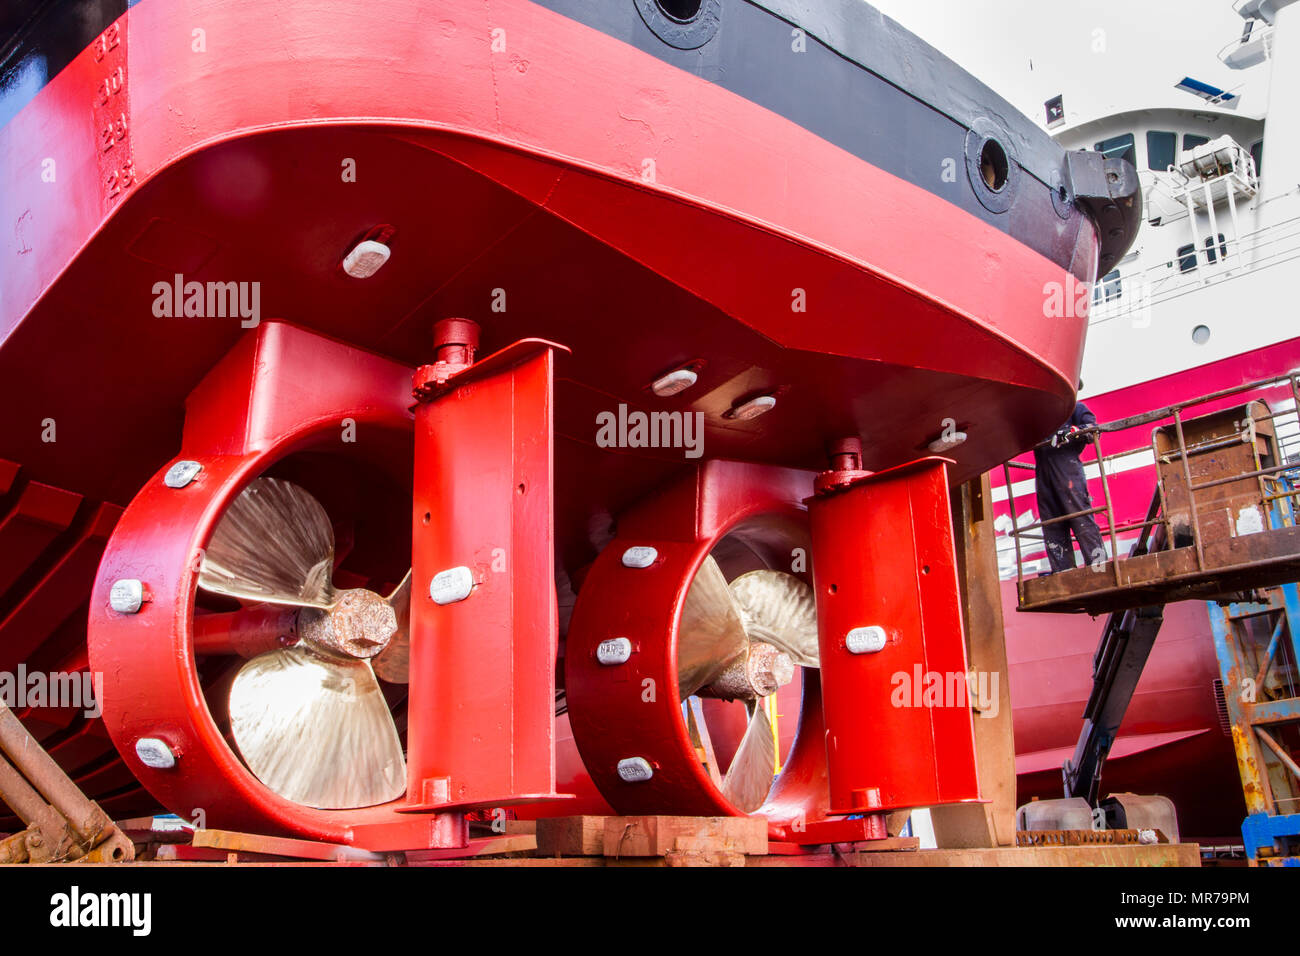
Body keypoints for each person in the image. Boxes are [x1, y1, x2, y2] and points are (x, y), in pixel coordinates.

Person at [1034, 392, 1106, 574]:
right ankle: (1062, 571)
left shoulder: (1075, 408)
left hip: (1067, 469)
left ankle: (1099, 566)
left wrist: (1072, 432)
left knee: (1081, 518)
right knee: (1052, 523)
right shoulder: (1040, 417)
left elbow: (1092, 429)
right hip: (1044, 473)